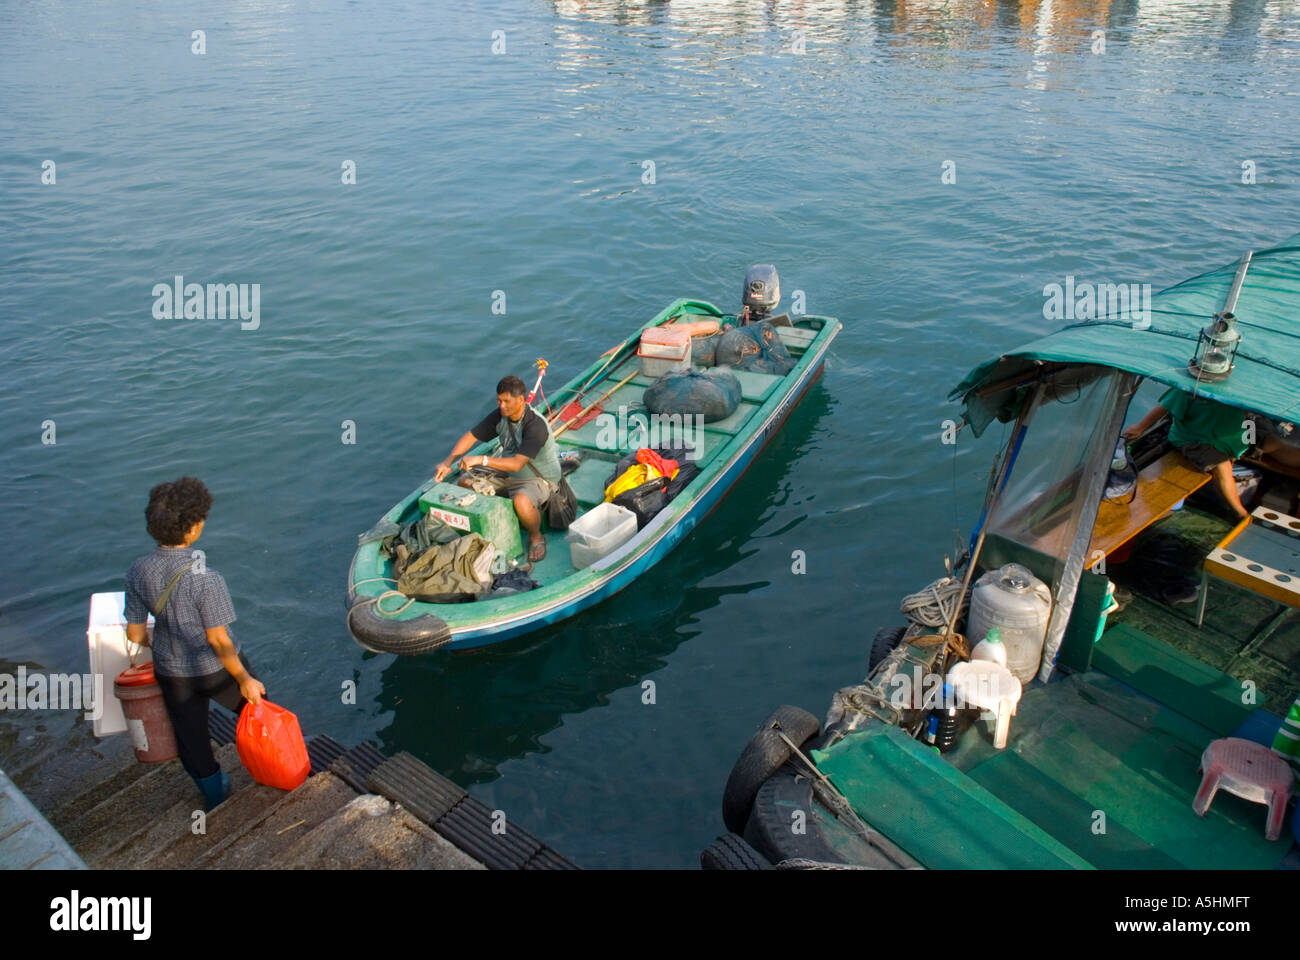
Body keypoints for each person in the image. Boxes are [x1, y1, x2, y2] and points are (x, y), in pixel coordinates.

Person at [124, 477, 264, 810]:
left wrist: (164, 641)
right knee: (258, 709)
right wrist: (244, 679)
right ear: (193, 529)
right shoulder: (207, 579)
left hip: (173, 674)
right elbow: (218, 640)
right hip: (216, 670)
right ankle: (265, 768)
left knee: (191, 738)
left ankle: (215, 795)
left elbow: (135, 635)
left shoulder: (137, 571)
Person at [433, 375, 563, 562]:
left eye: (506, 401)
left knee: (521, 501)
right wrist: (448, 462)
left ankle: (536, 535)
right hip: (508, 473)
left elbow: (518, 463)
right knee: (465, 482)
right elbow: (471, 436)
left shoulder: (536, 426)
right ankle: (497, 520)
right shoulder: (500, 416)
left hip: (537, 479)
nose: (502, 406)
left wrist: (481, 459)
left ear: (521, 400)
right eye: (499, 401)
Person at [1123, 388, 1300, 520]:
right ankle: (1241, 513)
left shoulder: (1241, 388)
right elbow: (1164, 406)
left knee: (1272, 444)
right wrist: (1140, 427)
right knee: (1223, 469)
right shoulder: (1191, 389)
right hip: (1198, 438)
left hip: (1235, 433)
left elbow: (1251, 410)